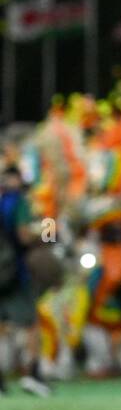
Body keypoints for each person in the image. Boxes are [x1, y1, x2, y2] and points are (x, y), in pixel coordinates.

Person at [0, 165, 51, 397]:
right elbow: (24, 234)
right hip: (13, 271)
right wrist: (46, 232)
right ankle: (32, 375)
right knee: (30, 325)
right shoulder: (17, 201)